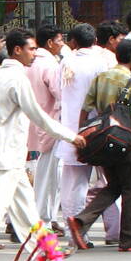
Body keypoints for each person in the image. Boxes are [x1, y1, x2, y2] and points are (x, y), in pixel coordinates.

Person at [0, 30, 85, 251]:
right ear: (17, 50)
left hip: (2, 149)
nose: (34, 53)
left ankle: (46, 250)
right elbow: (39, 116)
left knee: (26, 206)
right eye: (31, 49)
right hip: (9, 152)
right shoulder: (15, 78)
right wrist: (71, 136)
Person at [67, 38, 131, 252]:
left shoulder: (101, 78)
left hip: (104, 140)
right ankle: (129, 240)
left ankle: (81, 220)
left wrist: (81, 136)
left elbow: (85, 109)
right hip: (125, 141)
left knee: (113, 186)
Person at [57, 24, 106, 232]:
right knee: (107, 180)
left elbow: (59, 92)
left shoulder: (65, 62)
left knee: (73, 183)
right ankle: (112, 230)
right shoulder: (100, 62)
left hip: (69, 127)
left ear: (73, 43)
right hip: (96, 128)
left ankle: (73, 229)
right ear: (95, 41)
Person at [26, 22, 66, 232]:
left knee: (41, 172)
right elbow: (60, 93)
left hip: (32, 124)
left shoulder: (28, 62)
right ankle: (43, 218)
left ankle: (43, 217)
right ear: (50, 43)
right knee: (49, 174)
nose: (62, 44)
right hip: (49, 123)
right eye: (60, 40)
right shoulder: (49, 65)